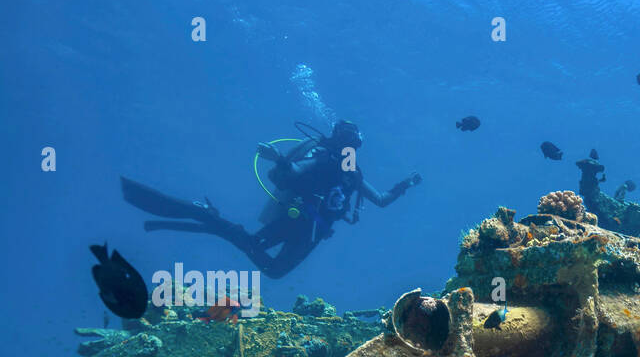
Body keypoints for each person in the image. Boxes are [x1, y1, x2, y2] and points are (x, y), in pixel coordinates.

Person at [121, 120, 420, 278]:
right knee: (267, 263)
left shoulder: (352, 173)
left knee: (273, 269)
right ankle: (210, 218)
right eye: (349, 145)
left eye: (353, 147)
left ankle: (211, 219)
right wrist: (278, 159)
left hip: (311, 232)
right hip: (297, 220)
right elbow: (297, 170)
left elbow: (380, 199)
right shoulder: (326, 158)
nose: (350, 152)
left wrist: (405, 183)